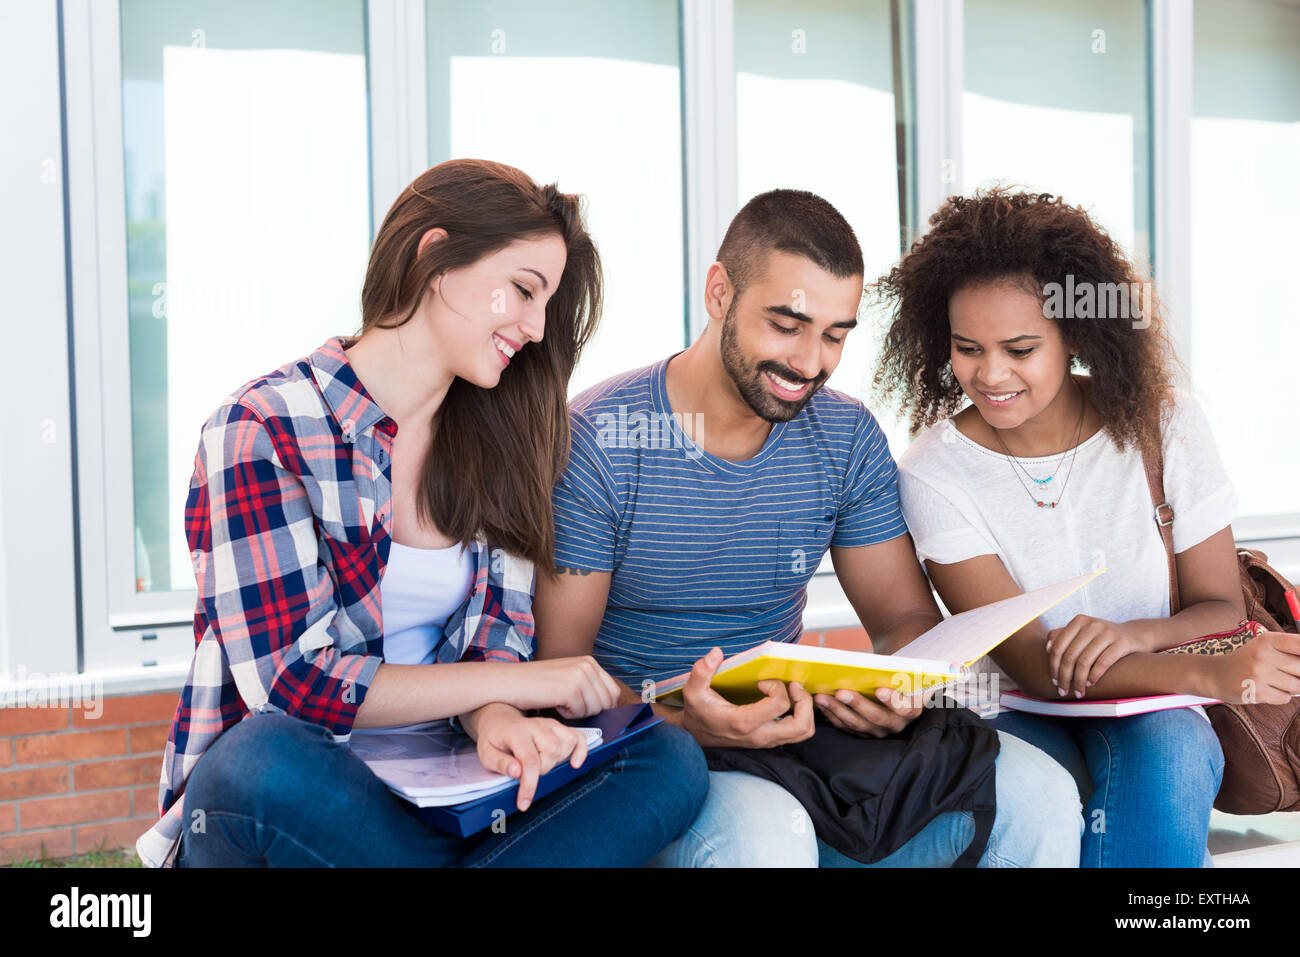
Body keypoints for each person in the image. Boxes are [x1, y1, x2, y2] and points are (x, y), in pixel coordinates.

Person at [134, 158, 708, 868]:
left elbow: (493, 639)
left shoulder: (502, 441)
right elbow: (293, 683)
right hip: (302, 800)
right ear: (434, 254)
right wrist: (520, 686)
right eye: (524, 291)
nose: (534, 327)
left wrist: (495, 717)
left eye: (546, 305)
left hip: (449, 802)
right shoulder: (263, 427)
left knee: (665, 758)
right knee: (256, 760)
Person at [534, 188, 1084, 867]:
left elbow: (902, 618)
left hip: (800, 733)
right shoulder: (601, 440)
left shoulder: (846, 436)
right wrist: (681, 722)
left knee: (1043, 795)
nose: (809, 362)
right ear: (718, 292)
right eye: (787, 324)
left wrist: (903, 687)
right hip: (646, 748)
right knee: (769, 834)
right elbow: (559, 671)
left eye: (833, 334)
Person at [873, 187, 1300, 867]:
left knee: (1176, 748)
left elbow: (1218, 604)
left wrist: (1134, 634)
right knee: (1041, 793)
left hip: (1157, 703)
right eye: (967, 348)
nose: (990, 374)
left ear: (1074, 334)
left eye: (1020, 348)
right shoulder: (934, 471)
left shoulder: (1167, 423)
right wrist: (1216, 675)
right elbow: (1039, 671)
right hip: (1014, 707)